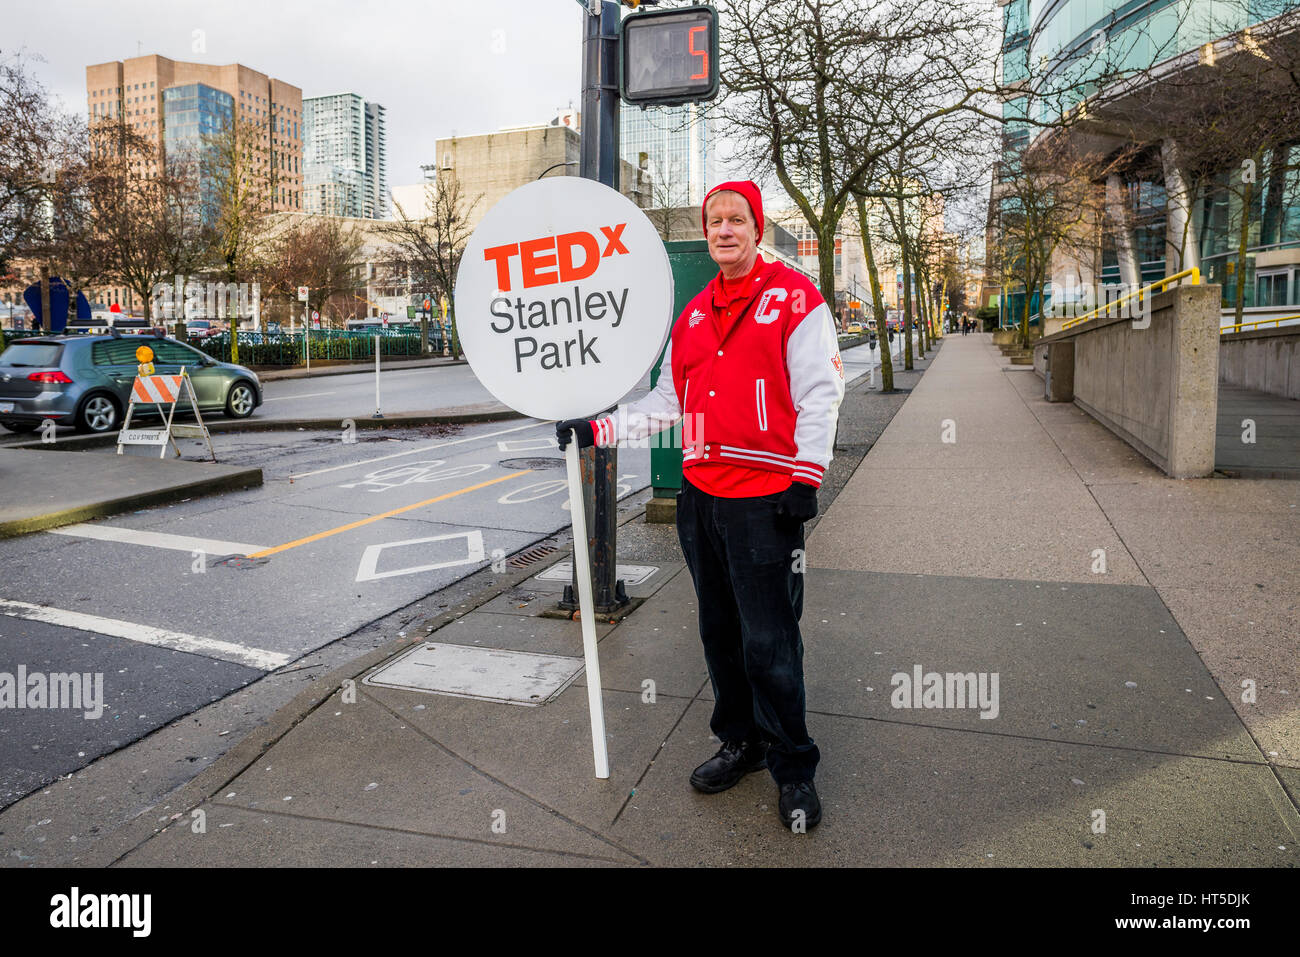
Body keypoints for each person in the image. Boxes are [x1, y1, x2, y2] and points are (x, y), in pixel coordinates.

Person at [557, 180, 844, 831]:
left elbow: (821, 393)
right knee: (719, 632)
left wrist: (806, 476)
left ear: (755, 226)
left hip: (766, 501)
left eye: (735, 219)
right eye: (714, 220)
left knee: (770, 639)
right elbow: (666, 407)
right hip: (703, 499)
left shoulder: (795, 299)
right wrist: (596, 430)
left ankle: (793, 764)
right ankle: (739, 740)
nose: (723, 229)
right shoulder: (691, 317)